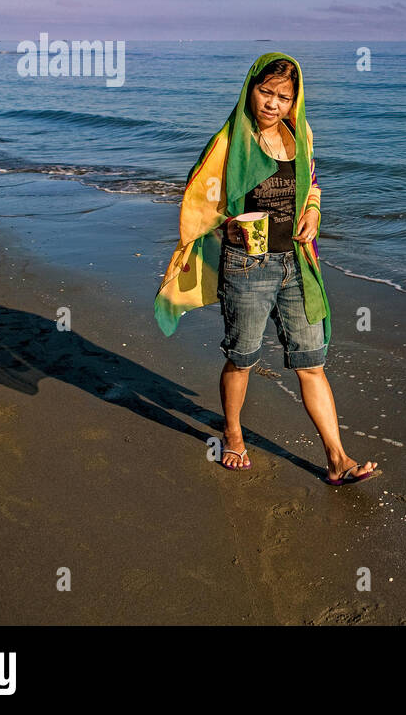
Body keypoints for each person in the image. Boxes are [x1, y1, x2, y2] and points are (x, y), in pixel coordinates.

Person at [154, 52, 378, 485]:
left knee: (311, 363)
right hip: (247, 266)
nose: (274, 104)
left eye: (284, 97)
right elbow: (201, 196)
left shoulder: (300, 134)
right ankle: (233, 435)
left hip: (296, 262)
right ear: (251, 89)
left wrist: (313, 210)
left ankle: (337, 459)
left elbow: (311, 181)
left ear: (295, 102)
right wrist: (230, 227)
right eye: (266, 92)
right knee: (242, 359)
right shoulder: (229, 143)